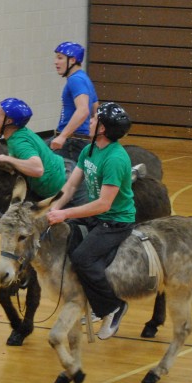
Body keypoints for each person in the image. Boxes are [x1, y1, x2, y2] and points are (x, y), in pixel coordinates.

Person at [46, 102, 136, 340]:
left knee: (82, 258)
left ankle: (113, 306)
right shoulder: (90, 150)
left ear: (103, 129)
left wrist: (65, 213)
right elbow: (72, 184)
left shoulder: (115, 158)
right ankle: (96, 304)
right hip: (96, 217)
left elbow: (104, 204)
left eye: (95, 118)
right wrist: (55, 207)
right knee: (64, 241)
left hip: (115, 221)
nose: (91, 121)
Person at [0, 98, 67, 202]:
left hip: (55, 185)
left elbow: (38, 169)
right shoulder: (20, 132)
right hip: (59, 171)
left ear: (9, 121)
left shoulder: (19, 142)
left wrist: (7, 159)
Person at [49, 42, 99, 162]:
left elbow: (83, 110)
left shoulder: (75, 80)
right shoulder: (84, 78)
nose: (56, 62)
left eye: (60, 58)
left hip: (72, 142)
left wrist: (62, 136)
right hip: (80, 140)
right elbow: (95, 109)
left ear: (72, 60)